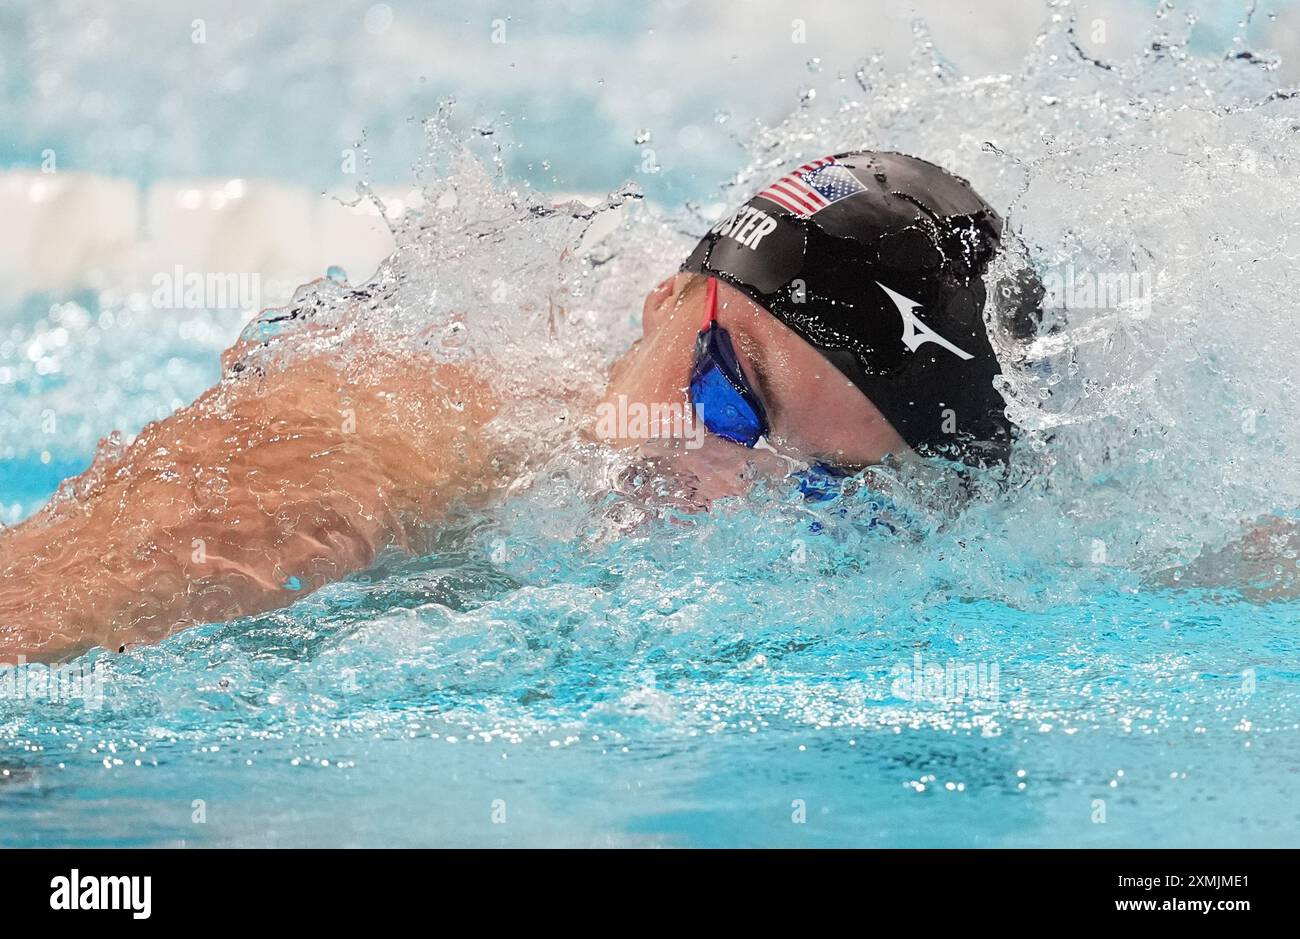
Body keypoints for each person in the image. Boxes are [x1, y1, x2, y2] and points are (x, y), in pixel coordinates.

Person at [0, 151, 1016, 661]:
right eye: (728, 393)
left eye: (822, 493)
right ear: (665, 299)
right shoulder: (397, 430)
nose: (721, 485)